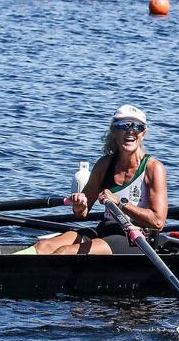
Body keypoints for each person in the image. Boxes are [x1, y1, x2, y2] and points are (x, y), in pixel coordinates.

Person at [35, 105, 169, 255]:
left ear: (143, 133)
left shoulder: (153, 168)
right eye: (124, 126)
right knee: (43, 247)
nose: (130, 131)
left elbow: (158, 222)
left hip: (137, 237)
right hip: (106, 229)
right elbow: (81, 213)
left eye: (137, 127)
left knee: (64, 252)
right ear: (114, 131)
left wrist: (119, 202)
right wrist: (79, 204)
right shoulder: (104, 165)